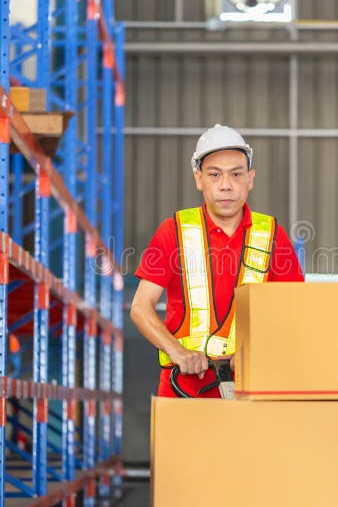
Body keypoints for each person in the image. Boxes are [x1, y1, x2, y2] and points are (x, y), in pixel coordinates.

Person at [130, 124, 304, 398]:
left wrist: (256, 352)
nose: (226, 185)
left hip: (252, 389)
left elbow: (293, 311)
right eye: (214, 175)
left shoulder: (272, 235)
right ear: (199, 179)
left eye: (236, 174)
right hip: (183, 390)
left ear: (251, 179)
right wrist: (178, 351)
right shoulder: (173, 231)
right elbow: (140, 307)